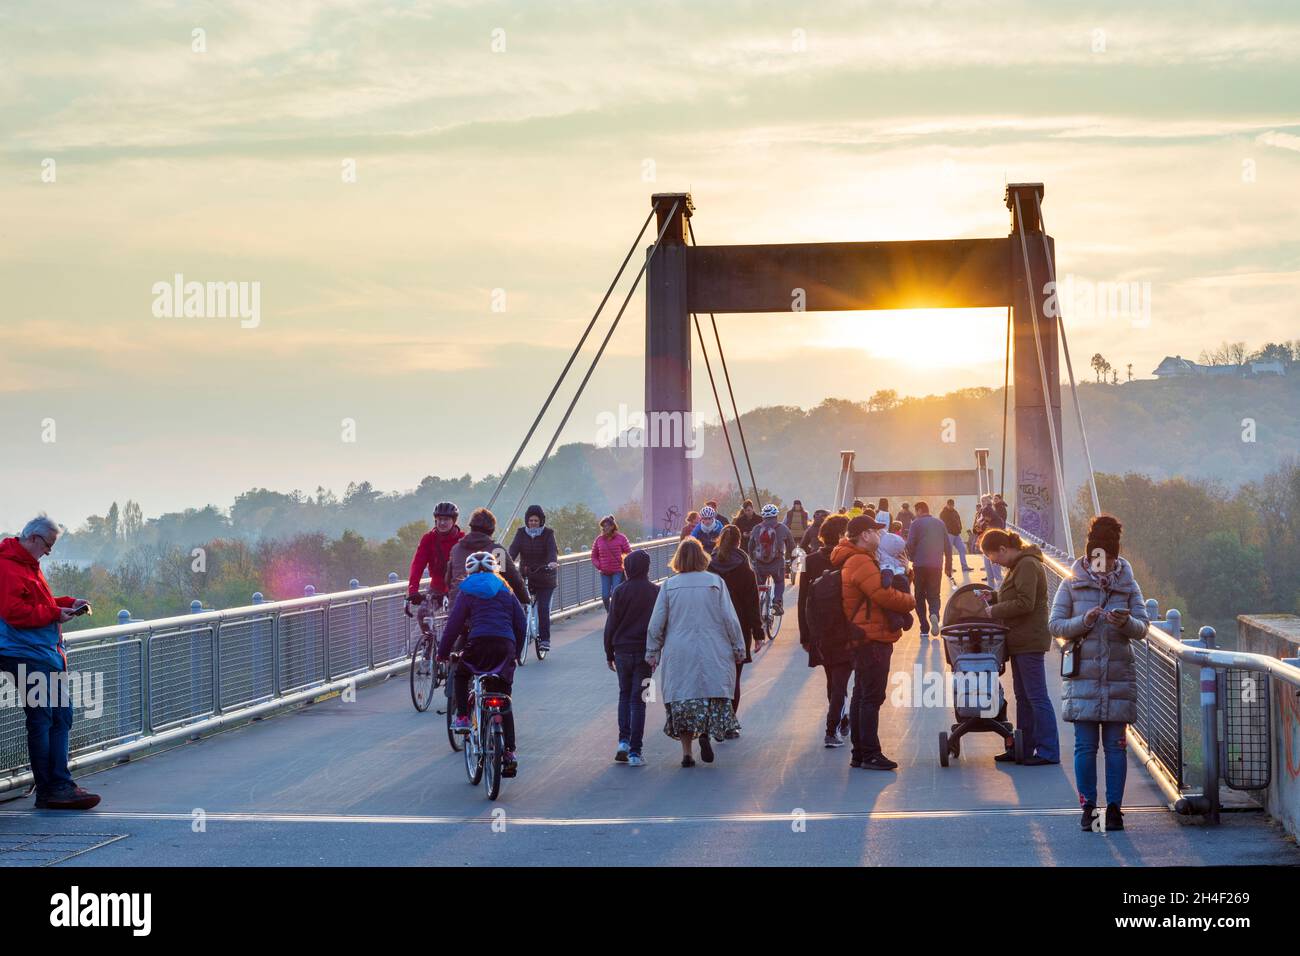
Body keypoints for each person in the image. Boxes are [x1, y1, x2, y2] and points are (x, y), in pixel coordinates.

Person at [1049, 514, 1149, 832]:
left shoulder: (1129, 586)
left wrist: (1125, 623)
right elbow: (1055, 626)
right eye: (1096, 561)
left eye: (1107, 561)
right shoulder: (1070, 584)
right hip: (1083, 678)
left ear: (1116, 558)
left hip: (1118, 676)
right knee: (1085, 747)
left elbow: (1143, 628)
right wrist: (1085, 622)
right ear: (1088, 556)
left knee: (1116, 747)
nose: (1101, 568)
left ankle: (1116, 811)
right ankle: (1089, 810)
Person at [0, 516, 101, 810]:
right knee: (44, 719)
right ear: (32, 538)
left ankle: (60, 784)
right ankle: (52, 789)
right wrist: (54, 614)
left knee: (59, 717)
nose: (49, 552)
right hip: (26, 654)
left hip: (43, 654)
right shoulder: (8, 567)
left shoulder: (26, 565)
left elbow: (32, 603)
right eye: (48, 545)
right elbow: (15, 612)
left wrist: (66, 602)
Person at [646, 537, 746, 767]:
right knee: (709, 695)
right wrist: (738, 647)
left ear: (677, 559)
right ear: (703, 558)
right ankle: (705, 735)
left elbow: (656, 623)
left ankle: (686, 754)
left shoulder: (669, 586)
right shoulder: (716, 582)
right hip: (713, 648)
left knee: (683, 700)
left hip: (679, 650)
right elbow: (730, 619)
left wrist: (653, 652)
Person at [832, 514, 916, 770]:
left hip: (863, 635)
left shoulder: (856, 558)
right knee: (871, 697)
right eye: (876, 531)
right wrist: (909, 600)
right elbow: (883, 596)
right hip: (872, 636)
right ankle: (869, 753)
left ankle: (860, 752)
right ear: (865, 535)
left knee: (861, 694)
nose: (880, 536)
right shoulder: (860, 561)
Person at [438, 551, 526, 777]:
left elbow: (454, 625)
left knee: (461, 673)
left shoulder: (467, 591)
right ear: (494, 568)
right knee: (504, 699)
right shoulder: (505, 589)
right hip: (504, 646)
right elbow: (521, 622)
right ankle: (509, 752)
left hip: (477, 644)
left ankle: (463, 717)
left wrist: (443, 653)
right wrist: (515, 651)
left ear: (468, 571)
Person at [976, 528, 1059, 767]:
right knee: (1023, 697)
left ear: (1003, 549)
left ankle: (1048, 750)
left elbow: (1025, 602)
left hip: (1029, 640)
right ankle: (1024, 746)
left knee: (1036, 696)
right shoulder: (1017, 566)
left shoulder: (1027, 565)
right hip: (1020, 639)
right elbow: (1014, 596)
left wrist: (995, 610)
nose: (994, 563)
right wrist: (993, 596)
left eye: (994, 558)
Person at [797, 513, 852, 746]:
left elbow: (801, 600)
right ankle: (834, 728)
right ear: (842, 535)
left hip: (819, 630)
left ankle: (841, 717)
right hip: (846, 628)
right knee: (840, 681)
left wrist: (805, 635)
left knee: (833, 678)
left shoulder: (808, 560)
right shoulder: (850, 559)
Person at [603, 550, 659, 767]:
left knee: (624, 694)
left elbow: (611, 625)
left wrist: (609, 653)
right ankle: (636, 752)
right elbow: (659, 624)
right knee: (641, 700)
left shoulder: (619, 591)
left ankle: (623, 742)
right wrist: (657, 652)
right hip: (646, 653)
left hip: (622, 651)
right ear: (647, 568)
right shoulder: (655, 591)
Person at [708, 525, 764, 729]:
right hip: (739, 627)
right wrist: (758, 634)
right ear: (739, 542)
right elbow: (752, 605)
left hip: (713, 627)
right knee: (734, 677)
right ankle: (730, 723)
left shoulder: (709, 567)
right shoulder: (745, 569)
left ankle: (714, 720)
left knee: (715, 677)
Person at [448, 508, 529, 604]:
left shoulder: (456, 549)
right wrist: (525, 600)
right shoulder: (497, 552)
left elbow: (448, 580)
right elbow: (514, 581)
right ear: (491, 530)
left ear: (471, 527)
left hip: (458, 607)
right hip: (489, 610)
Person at [507, 504, 559, 652]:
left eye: (536, 520)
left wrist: (552, 562)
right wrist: (507, 561)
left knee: (543, 608)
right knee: (517, 606)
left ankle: (544, 639)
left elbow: (552, 550)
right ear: (527, 521)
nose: (533, 523)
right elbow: (513, 550)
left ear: (541, 521)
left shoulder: (548, 534)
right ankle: (518, 637)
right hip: (526, 574)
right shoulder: (521, 533)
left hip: (545, 576)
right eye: (530, 520)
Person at [405, 502, 464, 619]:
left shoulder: (462, 540)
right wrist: (413, 590)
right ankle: (429, 637)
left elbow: (464, 569)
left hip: (459, 588)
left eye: (446, 519)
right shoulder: (428, 539)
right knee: (423, 614)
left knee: (458, 619)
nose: (442, 523)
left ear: (454, 521)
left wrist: (450, 591)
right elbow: (417, 565)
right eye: (439, 519)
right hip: (437, 588)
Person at [905, 501, 952, 637]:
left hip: (919, 565)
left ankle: (924, 627)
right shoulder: (940, 523)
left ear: (919, 510)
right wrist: (948, 567)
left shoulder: (916, 523)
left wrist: (912, 558)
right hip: (936, 565)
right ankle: (934, 614)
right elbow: (948, 547)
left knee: (919, 595)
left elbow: (909, 544)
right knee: (934, 594)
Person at [748, 504, 794, 614]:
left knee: (759, 585)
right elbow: (791, 547)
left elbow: (750, 547)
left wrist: (753, 560)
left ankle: (756, 605)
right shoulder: (783, 528)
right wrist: (789, 561)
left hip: (760, 565)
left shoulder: (756, 529)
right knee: (779, 582)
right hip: (777, 564)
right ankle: (777, 602)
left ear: (763, 516)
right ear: (776, 515)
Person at [877, 521, 914, 632]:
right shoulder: (880, 552)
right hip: (879, 629)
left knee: (889, 603)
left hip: (896, 584)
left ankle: (900, 617)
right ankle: (903, 616)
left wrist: (907, 571)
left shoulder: (882, 554)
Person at [591, 515, 632, 611]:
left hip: (618, 571)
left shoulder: (621, 538)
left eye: (607, 526)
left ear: (613, 526)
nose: (605, 528)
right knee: (605, 596)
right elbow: (593, 556)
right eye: (603, 526)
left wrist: (624, 565)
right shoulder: (599, 540)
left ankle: (615, 614)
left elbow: (628, 553)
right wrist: (599, 566)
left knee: (615, 594)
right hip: (604, 572)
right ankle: (609, 613)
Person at [974, 495, 1004, 587]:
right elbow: (979, 528)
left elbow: (981, 527)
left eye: (984, 500)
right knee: (992, 572)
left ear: (987, 502)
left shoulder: (987, 510)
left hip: (992, 545)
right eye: (981, 500)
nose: (982, 502)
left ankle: (999, 592)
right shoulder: (989, 512)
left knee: (994, 573)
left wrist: (979, 526)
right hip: (990, 544)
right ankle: (994, 592)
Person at [939, 498, 972, 574]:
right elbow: (941, 524)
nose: (951, 506)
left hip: (956, 534)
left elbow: (958, 520)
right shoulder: (943, 513)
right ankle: (949, 567)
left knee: (962, 549)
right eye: (950, 505)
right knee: (949, 551)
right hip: (949, 534)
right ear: (947, 504)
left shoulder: (955, 512)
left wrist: (960, 528)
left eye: (952, 505)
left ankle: (964, 567)